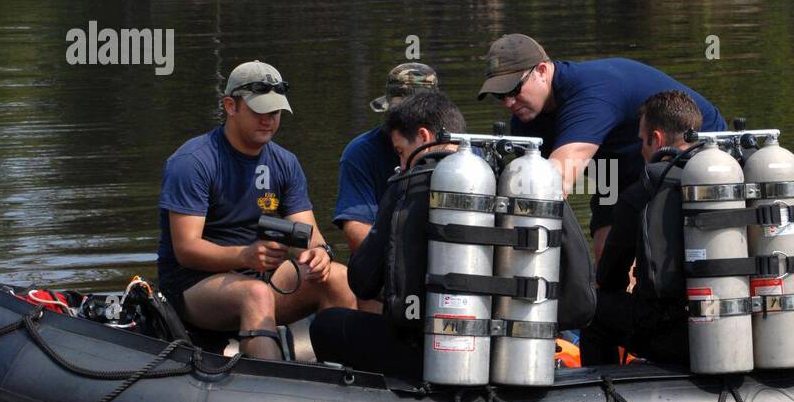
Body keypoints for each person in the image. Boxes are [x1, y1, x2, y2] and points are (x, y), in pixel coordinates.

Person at [311, 91, 595, 377]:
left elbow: (362, 281)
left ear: (423, 137)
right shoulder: (527, 182)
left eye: (400, 151)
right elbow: (581, 299)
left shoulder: (407, 186)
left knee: (326, 325)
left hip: (431, 356)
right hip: (521, 356)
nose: (401, 161)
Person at [156, 61, 355, 360]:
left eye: (275, 113)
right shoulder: (193, 162)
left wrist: (320, 253)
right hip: (194, 286)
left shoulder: (285, 162)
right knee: (255, 293)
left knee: (338, 277)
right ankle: (274, 389)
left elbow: (307, 231)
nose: (269, 121)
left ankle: (349, 379)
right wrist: (245, 255)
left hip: (261, 273)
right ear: (230, 106)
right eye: (259, 112)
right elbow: (186, 249)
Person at [477, 33, 726, 260]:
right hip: (612, 167)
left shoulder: (590, 94)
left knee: (651, 252)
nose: (508, 102)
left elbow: (556, 181)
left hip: (692, 149)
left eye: (513, 89)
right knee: (606, 256)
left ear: (542, 71)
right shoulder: (526, 117)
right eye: (499, 95)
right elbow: (523, 192)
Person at [578, 90, 701, 367]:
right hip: (737, 323)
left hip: (676, 334)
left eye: (642, 142)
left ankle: (600, 394)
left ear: (656, 139)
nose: (641, 150)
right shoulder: (733, 177)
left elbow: (610, 278)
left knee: (592, 310)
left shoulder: (642, 193)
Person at [332, 62, 439, 253]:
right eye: (395, 115)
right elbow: (356, 228)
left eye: (411, 118)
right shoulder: (361, 152)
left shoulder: (461, 153)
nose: (401, 124)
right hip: (389, 261)